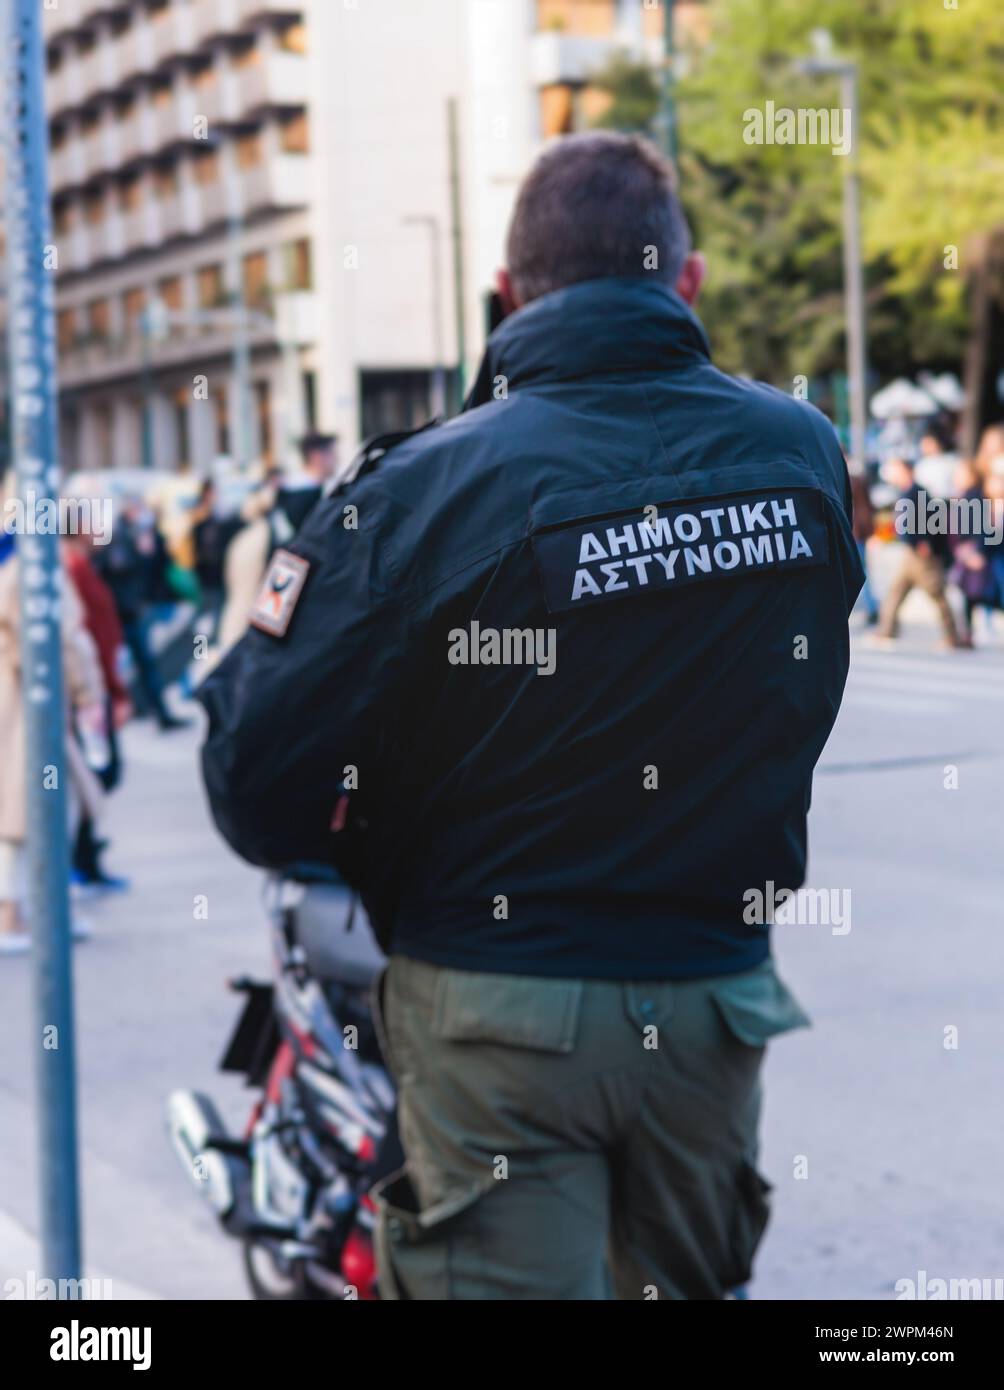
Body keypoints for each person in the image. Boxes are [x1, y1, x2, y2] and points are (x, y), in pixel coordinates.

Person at [198, 132, 863, 1300]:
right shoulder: (800, 452)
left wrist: (379, 828)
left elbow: (255, 777)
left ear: (503, 296)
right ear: (685, 282)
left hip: (496, 1001)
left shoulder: (421, 488)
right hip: (712, 997)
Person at [1, 509, 108, 955]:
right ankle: (18, 913)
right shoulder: (37, 572)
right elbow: (64, 638)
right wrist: (87, 695)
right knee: (29, 810)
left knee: (26, 807)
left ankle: (37, 907)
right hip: (31, 701)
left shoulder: (17, 568)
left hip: (21, 697)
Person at [214, 434, 338, 659]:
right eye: (332, 453)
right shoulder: (305, 495)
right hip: (272, 570)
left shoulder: (292, 491)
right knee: (261, 640)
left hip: (269, 568)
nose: (336, 459)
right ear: (316, 456)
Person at [92, 499, 189, 730]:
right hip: (121, 614)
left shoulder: (131, 535)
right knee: (122, 667)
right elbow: (116, 569)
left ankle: (157, 713)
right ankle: (137, 711)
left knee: (144, 665)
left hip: (130, 612)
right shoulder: (116, 537)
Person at [875, 457, 967, 648]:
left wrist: (926, 542)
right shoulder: (909, 492)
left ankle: (953, 636)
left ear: (906, 470)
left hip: (921, 554)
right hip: (911, 552)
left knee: (936, 593)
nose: (892, 475)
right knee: (896, 591)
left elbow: (933, 519)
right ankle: (887, 630)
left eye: (895, 469)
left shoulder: (917, 493)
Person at [850, 470, 879, 624]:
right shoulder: (858, 477)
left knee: (861, 571)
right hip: (860, 532)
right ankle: (872, 607)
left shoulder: (849, 479)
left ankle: (872, 607)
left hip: (855, 533)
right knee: (863, 571)